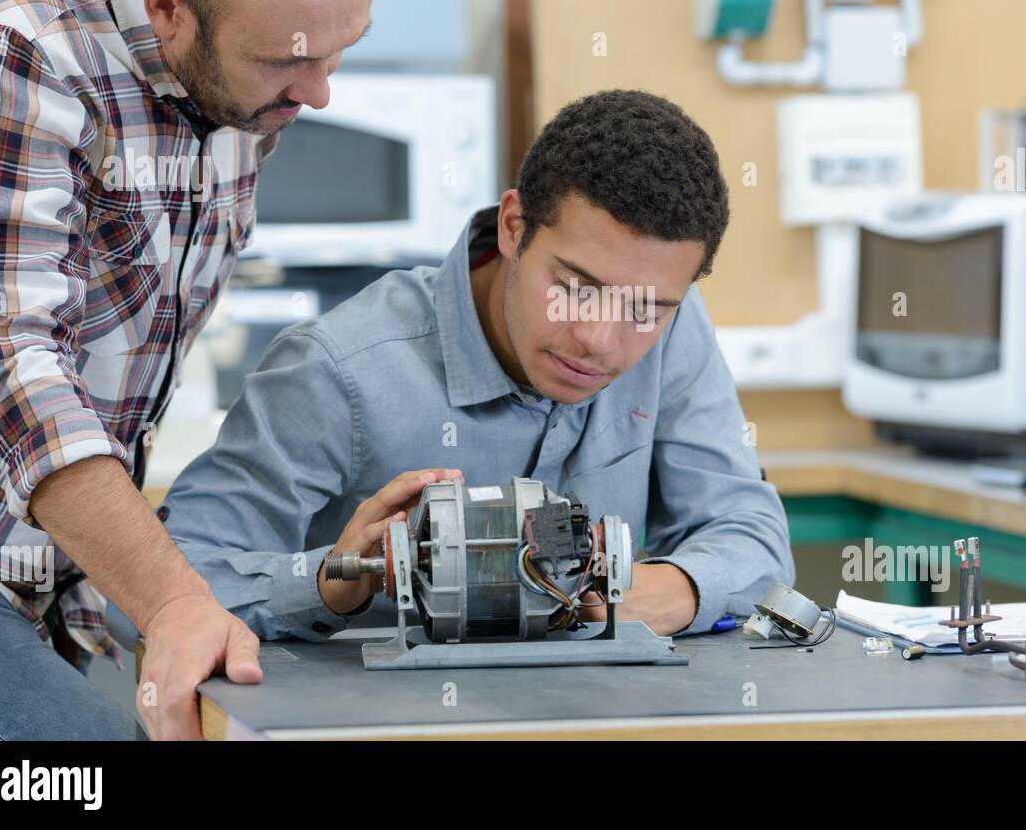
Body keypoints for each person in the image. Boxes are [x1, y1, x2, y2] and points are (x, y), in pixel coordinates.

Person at [0, 0, 375, 740]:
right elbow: (6, 359)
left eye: (340, 52)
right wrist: (175, 599)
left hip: (44, 580)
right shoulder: (18, 43)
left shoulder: (243, 97)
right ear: (167, 4)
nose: (318, 93)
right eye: (285, 60)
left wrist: (321, 576)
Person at [163, 90, 796, 644]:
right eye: (575, 287)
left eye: (645, 310)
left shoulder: (673, 325)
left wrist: (679, 586)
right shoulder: (336, 372)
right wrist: (327, 582)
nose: (600, 339)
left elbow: (754, 538)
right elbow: (157, 589)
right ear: (515, 225)